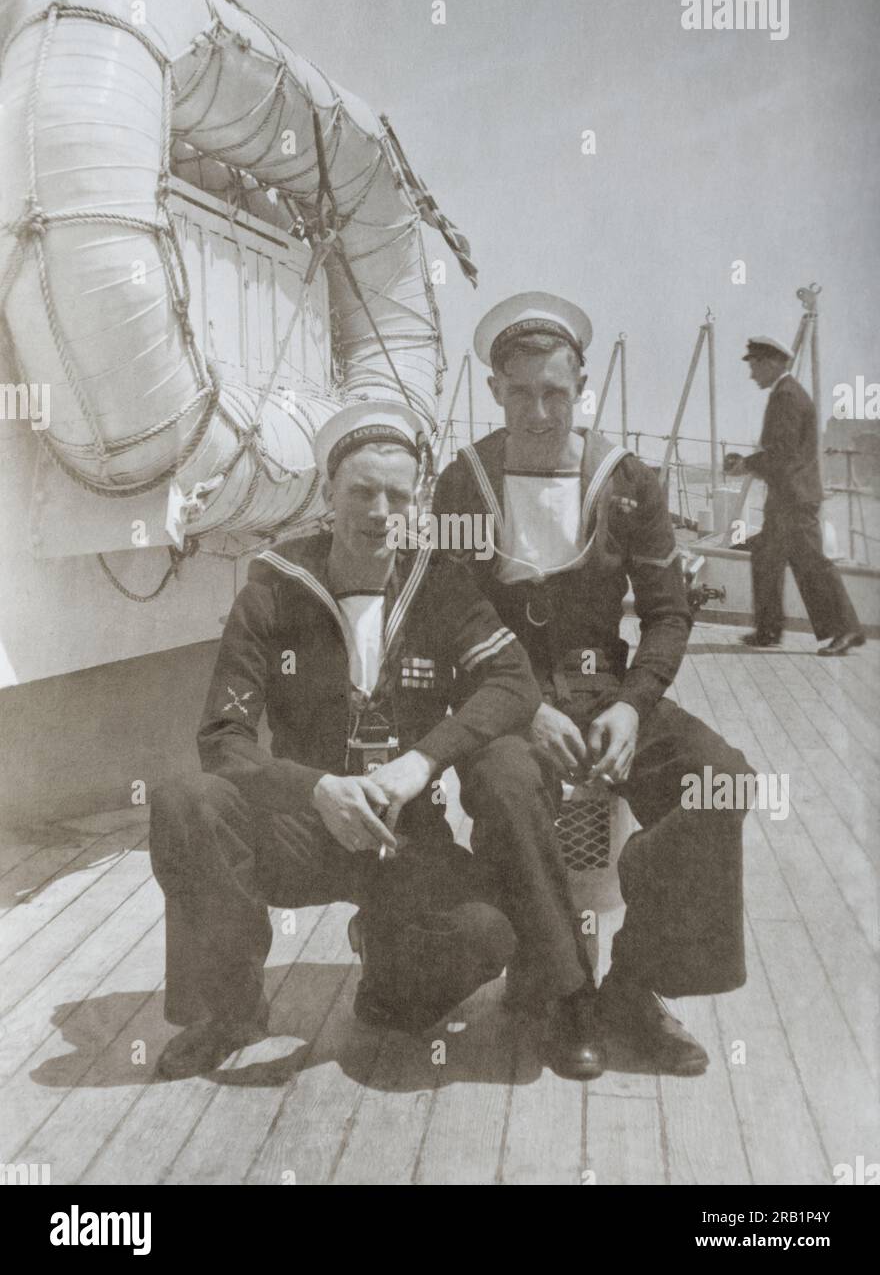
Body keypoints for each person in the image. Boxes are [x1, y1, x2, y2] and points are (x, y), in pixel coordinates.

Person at [150, 401, 594, 1080]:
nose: (380, 511)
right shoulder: (274, 588)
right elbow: (223, 739)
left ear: (416, 501)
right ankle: (228, 1010)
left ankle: (388, 979)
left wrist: (423, 761)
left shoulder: (438, 584)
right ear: (329, 493)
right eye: (361, 491)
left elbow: (512, 680)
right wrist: (316, 790)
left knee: (485, 933)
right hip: (300, 827)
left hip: (402, 833)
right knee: (189, 802)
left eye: (397, 495)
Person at [432, 293, 754, 1076]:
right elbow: (451, 617)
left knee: (721, 780)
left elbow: (668, 613)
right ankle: (566, 991)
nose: (539, 412)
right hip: (504, 699)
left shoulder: (626, 482)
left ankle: (635, 984)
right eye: (520, 393)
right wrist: (526, 708)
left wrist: (634, 707)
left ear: (581, 388)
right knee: (507, 785)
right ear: (495, 390)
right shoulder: (465, 484)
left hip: (607, 691)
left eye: (555, 392)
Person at [725, 336, 865, 655]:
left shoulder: (787, 396)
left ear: (772, 363)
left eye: (754, 365)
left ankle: (846, 629)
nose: (751, 374)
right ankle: (768, 629)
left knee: (811, 563)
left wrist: (746, 465)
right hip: (787, 497)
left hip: (795, 499)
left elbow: (783, 453)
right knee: (766, 556)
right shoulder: (785, 393)